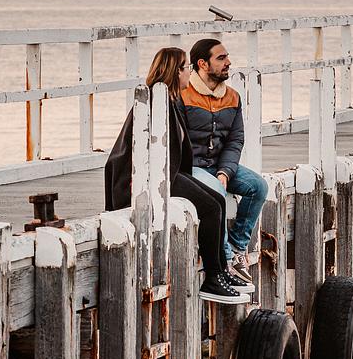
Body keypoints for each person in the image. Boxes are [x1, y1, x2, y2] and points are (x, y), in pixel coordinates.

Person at [104, 46, 248, 305]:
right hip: (152, 179)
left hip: (168, 172)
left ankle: (222, 271)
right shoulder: (157, 102)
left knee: (217, 198)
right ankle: (214, 278)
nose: (188, 73)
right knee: (211, 208)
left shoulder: (171, 100)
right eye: (185, 68)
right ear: (175, 72)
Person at [181, 38, 268, 283]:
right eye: (221, 58)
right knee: (216, 190)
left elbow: (234, 141)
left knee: (258, 186)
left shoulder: (232, 97)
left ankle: (238, 248)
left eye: (227, 57)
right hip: (191, 168)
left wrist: (226, 171)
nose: (228, 62)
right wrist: (216, 178)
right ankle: (226, 260)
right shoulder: (183, 95)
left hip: (218, 166)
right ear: (202, 64)